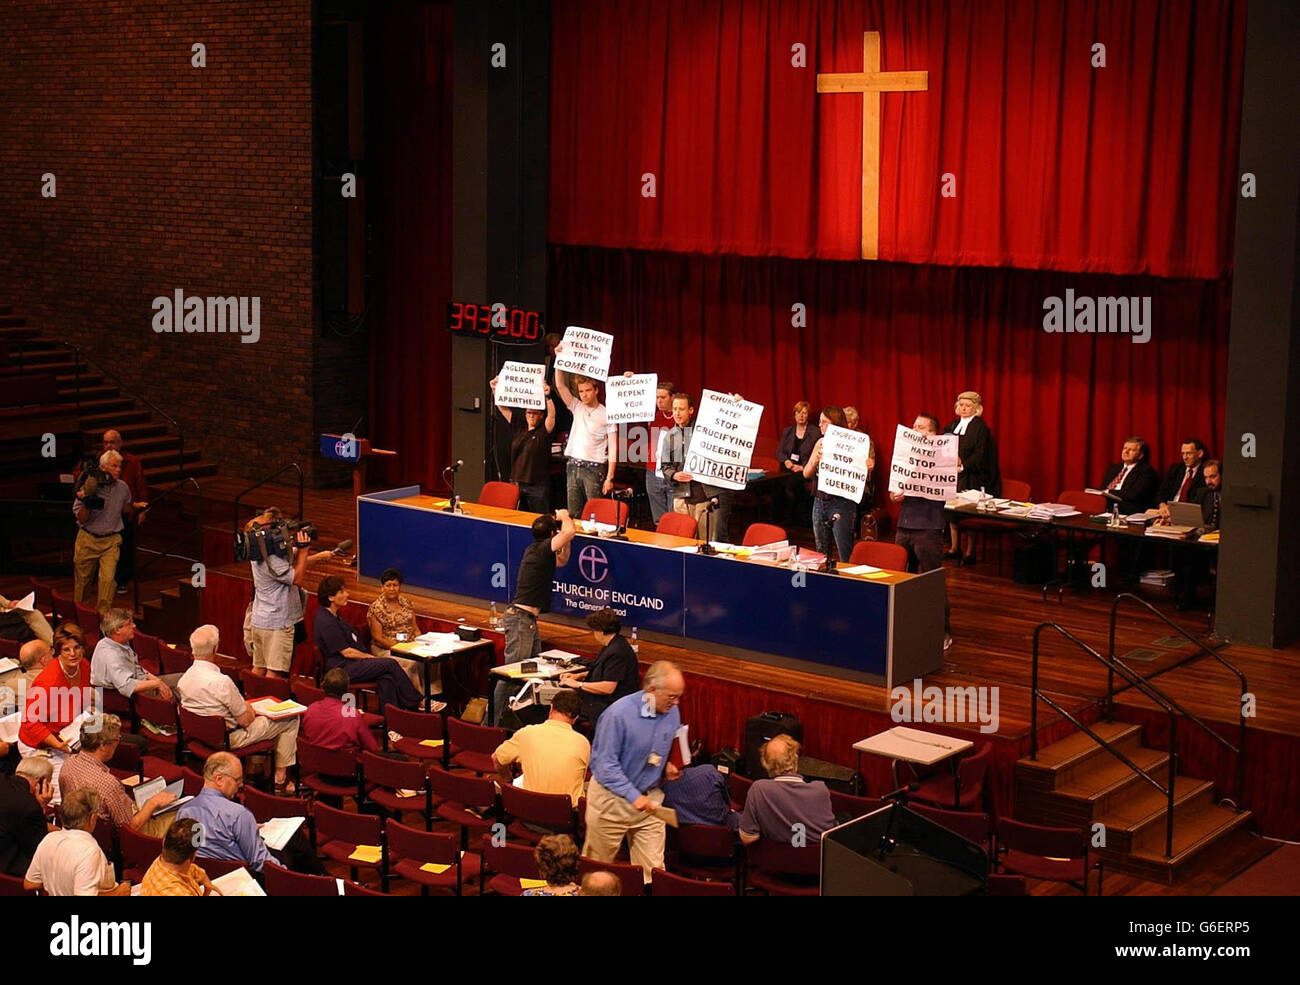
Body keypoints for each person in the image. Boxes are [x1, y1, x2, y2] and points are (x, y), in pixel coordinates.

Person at [583, 661, 685, 882]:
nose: (676, 703)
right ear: (651, 689)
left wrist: (668, 765)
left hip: (650, 802)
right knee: (597, 872)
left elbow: (667, 742)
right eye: (671, 696)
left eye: (679, 696)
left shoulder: (672, 712)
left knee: (654, 873)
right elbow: (604, 766)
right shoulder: (617, 715)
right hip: (612, 801)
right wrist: (633, 796)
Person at [178, 624, 300, 792]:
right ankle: (280, 777)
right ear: (215, 649)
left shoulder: (184, 679)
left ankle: (255, 768)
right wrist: (249, 707)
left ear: (193, 650)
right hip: (229, 739)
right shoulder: (222, 682)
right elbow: (246, 720)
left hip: (201, 736)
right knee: (290, 718)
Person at [493, 511, 576, 726]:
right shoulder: (540, 550)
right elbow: (570, 531)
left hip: (528, 621)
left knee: (533, 670)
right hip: (520, 620)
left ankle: (519, 721)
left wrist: (566, 536)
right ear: (551, 533)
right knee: (511, 673)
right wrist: (565, 516)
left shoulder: (539, 551)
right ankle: (492, 722)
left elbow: (563, 559)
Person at [178, 752, 323, 874]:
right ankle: (322, 882)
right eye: (237, 780)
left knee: (292, 838)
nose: (241, 785)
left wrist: (248, 828)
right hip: (241, 878)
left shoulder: (183, 812)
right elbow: (259, 862)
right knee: (294, 844)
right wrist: (289, 876)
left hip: (204, 875)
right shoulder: (238, 815)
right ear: (219, 779)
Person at [314, 577, 423, 713]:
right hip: (343, 668)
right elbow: (347, 652)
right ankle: (417, 702)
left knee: (386, 677)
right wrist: (370, 657)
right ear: (331, 597)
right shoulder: (326, 622)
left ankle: (391, 723)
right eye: (342, 592)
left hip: (352, 663)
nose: (347, 594)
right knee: (390, 664)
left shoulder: (335, 617)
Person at [245, 507, 332, 679]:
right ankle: (270, 704)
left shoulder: (260, 551)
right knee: (274, 674)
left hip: (260, 620)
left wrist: (320, 556)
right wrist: (305, 549)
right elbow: (296, 578)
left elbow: (294, 560)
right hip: (278, 624)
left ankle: (252, 699)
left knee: (259, 669)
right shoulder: (272, 559)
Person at [892, 414, 952, 650]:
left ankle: (943, 630)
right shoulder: (904, 455)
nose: (916, 430)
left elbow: (948, 487)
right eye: (914, 426)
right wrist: (895, 495)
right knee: (900, 579)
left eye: (922, 427)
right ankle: (904, 625)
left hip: (928, 527)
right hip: (904, 526)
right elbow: (893, 494)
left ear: (933, 434)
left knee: (931, 580)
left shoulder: (943, 457)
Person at [58, 714, 176, 830]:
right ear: (103, 745)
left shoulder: (67, 764)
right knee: (180, 816)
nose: (118, 742)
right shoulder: (108, 784)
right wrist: (152, 803)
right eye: (117, 739)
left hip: (87, 831)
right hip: (127, 838)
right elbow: (130, 827)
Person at [17, 624, 94, 798]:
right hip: (39, 744)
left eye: (77, 647)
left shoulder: (84, 666)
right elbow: (30, 721)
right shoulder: (48, 681)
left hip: (66, 734)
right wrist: (57, 744)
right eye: (66, 650)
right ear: (58, 651)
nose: (73, 654)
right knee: (62, 795)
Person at [74, 429, 150, 595]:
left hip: (112, 536)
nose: (118, 470)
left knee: (108, 582)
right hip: (89, 536)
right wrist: (87, 500)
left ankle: (105, 614)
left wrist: (137, 507)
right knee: (82, 584)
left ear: (120, 443)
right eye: (114, 466)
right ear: (102, 467)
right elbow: (81, 517)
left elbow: (129, 501)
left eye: (119, 466)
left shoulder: (123, 485)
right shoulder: (90, 480)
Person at [492, 689, 590, 806]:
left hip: (527, 812)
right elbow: (578, 779)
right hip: (565, 818)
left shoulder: (527, 733)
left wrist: (508, 779)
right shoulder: (583, 743)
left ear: (551, 708)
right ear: (575, 718)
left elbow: (496, 758)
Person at [23, 789, 130, 896]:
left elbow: (30, 884)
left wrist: (59, 884)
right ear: (92, 818)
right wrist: (118, 893)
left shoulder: (48, 839)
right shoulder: (89, 851)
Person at [738, 734, 836, 846]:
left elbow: (748, 839)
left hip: (772, 861)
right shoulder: (821, 790)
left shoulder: (758, 790)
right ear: (795, 759)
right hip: (813, 862)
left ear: (766, 764)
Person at [663, 392, 735, 542]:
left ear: (690, 410)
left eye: (681, 409)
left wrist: (733, 404)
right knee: (683, 542)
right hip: (682, 496)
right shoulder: (670, 436)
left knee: (705, 541)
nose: (677, 412)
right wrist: (674, 475)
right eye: (674, 409)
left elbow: (726, 427)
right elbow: (665, 466)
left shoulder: (705, 430)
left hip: (704, 496)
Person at [558, 607, 641, 726]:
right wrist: (578, 675)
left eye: (594, 631)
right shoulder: (613, 644)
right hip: (601, 700)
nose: (594, 635)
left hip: (608, 705)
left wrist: (579, 684)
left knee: (564, 707)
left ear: (601, 631)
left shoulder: (617, 652)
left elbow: (608, 688)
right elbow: (606, 671)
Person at [944, 391, 1001, 562]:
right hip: (954, 475)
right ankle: (954, 547)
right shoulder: (952, 426)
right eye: (961, 405)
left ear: (976, 408)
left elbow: (981, 453)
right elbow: (944, 444)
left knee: (969, 514)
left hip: (973, 476)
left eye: (968, 405)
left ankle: (969, 551)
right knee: (952, 512)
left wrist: (964, 464)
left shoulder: (981, 428)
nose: (964, 408)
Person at [365, 568, 438, 700]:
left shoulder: (406, 603)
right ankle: (416, 699)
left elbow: (415, 629)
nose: (392, 588)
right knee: (412, 663)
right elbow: (378, 637)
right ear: (382, 587)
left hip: (409, 645)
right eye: (388, 585)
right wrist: (400, 648)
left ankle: (432, 696)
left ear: (400, 587)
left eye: (395, 585)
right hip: (386, 649)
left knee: (431, 660)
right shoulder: (376, 608)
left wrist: (422, 643)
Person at [553, 368, 617, 518]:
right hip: (573, 465)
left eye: (588, 390)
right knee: (574, 513)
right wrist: (559, 361)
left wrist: (610, 477)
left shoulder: (607, 414)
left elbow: (613, 447)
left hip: (594, 468)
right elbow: (560, 385)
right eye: (581, 391)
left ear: (596, 390)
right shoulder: (577, 406)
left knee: (595, 514)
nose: (584, 395)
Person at [490, 377, 557, 513]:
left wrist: (547, 396)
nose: (531, 416)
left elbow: (552, 415)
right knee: (516, 519)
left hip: (537, 486)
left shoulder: (543, 431)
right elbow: (503, 409)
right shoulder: (519, 427)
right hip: (516, 483)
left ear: (541, 416)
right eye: (528, 412)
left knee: (538, 520)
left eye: (535, 413)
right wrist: (495, 390)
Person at [802, 405, 857, 565]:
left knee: (844, 550)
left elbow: (859, 474)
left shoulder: (852, 444)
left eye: (824, 422)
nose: (820, 425)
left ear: (836, 424)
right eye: (820, 422)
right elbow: (806, 473)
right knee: (821, 550)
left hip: (842, 504)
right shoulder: (820, 442)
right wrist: (815, 460)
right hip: (819, 501)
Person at [90, 607, 179, 702]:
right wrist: (156, 684)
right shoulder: (111, 655)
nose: (134, 626)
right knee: (177, 695)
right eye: (129, 624)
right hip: (134, 696)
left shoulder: (116, 642)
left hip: (141, 680)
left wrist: (157, 681)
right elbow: (127, 686)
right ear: (117, 630)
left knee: (183, 678)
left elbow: (134, 667)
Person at [1172, 460, 1223, 610]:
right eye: (1206, 477)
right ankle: (1186, 597)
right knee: (1183, 550)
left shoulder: (1230, 494)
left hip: (1224, 539)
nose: (1209, 481)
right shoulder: (1202, 492)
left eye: (1213, 477)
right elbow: (1193, 516)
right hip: (1203, 537)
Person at [301, 668, 380, 756]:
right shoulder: (352, 715)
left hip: (314, 761)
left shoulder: (311, 709)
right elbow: (373, 749)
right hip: (346, 766)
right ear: (347, 690)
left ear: (323, 686)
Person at [0, 757, 54, 877]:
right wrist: (42, 806)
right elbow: (38, 847)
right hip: (9, 869)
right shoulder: (30, 806)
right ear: (40, 782)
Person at [140, 817, 221, 896]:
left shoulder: (161, 862)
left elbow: (192, 869)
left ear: (164, 842)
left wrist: (204, 879)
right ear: (193, 856)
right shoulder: (177, 892)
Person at [774, 401, 820, 525]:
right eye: (798, 412)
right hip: (788, 468)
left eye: (804, 413)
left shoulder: (815, 432)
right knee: (776, 484)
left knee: (791, 484)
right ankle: (778, 519)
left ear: (808, 416)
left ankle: (792, 518)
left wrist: (803, 467)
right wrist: (786, 461)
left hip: (805, 470)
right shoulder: (787, 431)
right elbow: (779, 452)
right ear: (794, 415)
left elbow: (817, 456)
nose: (801, 416)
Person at [643, 379, 678, 524]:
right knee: (659, 520)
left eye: (663, 397)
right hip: (652, 472)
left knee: (673, 519)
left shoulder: (680, 417)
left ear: (672, 398)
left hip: (671, 474)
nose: (659, 401)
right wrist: (630, 378)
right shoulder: (653, 415)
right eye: (657, 397)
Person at [661, 763, 739, 829]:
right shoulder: (709, 772)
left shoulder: (662, 798)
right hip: (724, 828)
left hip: (688, 842)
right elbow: (727, 800)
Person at [1099, 436, 1160, 515]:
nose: (1126, 452)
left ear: (1140, 455)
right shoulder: (1114, 468)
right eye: (1125, 448)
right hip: (1105, 504)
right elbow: (1103, 487)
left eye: (1131, 450)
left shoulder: (1146, 471)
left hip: (1126, 508)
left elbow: (1133, 494)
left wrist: (1108, 492)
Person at [1, 639, 51, 716]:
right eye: (51, 652)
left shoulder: (12, 685)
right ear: (44, 660)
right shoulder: (65, 676)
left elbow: (4, 714)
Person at [1156, 438, 1208, 509]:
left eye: (1189, 453)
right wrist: (1162, 506)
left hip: (1188, 512)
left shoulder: (1206, 472)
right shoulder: (1175, 469)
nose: (1185, 457)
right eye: (1183, 453)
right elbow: (1161, 493)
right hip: (1168, 510)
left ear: (1200, 454)